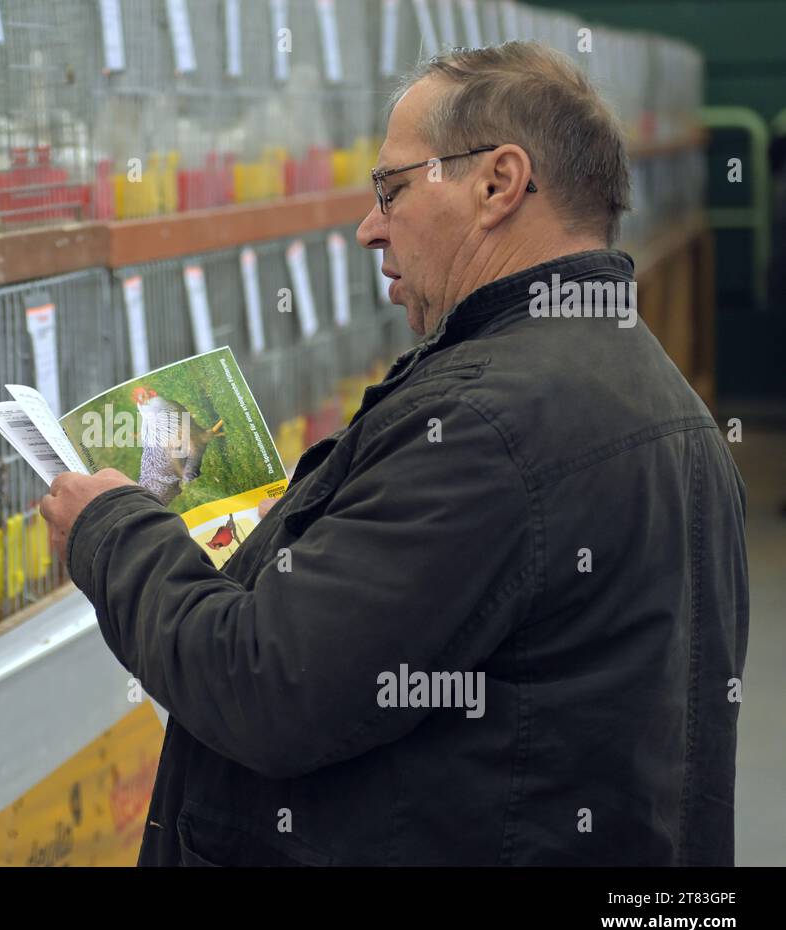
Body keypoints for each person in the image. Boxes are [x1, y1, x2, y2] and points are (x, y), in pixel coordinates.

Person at [40, 41, 749, 866]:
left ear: (497, 183)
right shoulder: (662, 401)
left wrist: (111, 528)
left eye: (393, 188)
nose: (369, 227)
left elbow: (268, 686)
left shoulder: (488, 424)